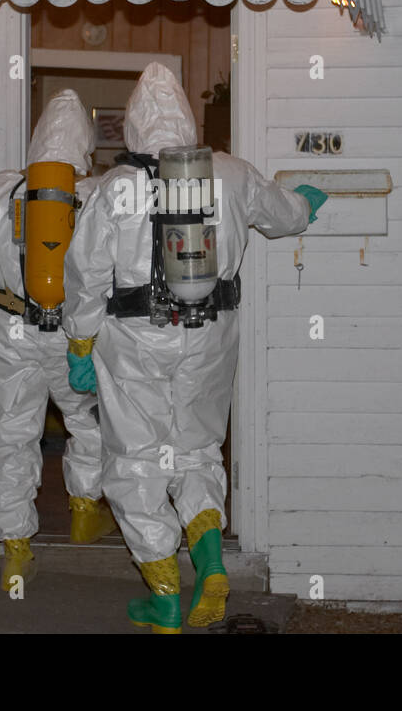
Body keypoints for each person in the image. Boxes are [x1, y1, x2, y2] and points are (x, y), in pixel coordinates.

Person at [63, 62, 326, 632]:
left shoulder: (115, 189)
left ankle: (163, 600)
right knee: (198, 449)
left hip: (133, 343)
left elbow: (83, 274)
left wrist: (80, 343)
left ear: (133, 125)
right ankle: (210, 566)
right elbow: (285, 216)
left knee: (135, 461)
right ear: (186, 116)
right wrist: (307, 200)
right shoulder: (229, 173)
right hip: (210, 336)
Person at [0, 89, 116, 592]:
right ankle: (86, 511)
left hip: (11, 331)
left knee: (11, 438)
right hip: (74, 334)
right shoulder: (98, 192)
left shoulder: (2, 190)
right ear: (84, 148)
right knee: (92, 421)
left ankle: (16, 552)